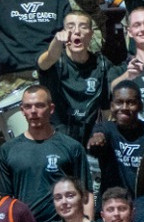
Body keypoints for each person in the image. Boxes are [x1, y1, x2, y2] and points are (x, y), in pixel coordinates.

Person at [0, 86, 89, 222]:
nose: (33, 111)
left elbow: (86, 195)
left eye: (39, 105)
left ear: (51, 109)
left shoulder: (72, 147)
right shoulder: (7, 151)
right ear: (22, 110)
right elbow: (4, 200)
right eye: (28, 106)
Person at [37, 11, 115, 145]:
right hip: (56, 138)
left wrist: (106, 134)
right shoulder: (55, 62)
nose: (77, 31)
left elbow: (106, 108)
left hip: (89, 137)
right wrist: (56, 41)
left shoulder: (102, 64)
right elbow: (48, 59)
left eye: (83, 26)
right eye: (70, 26)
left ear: (91, 34)